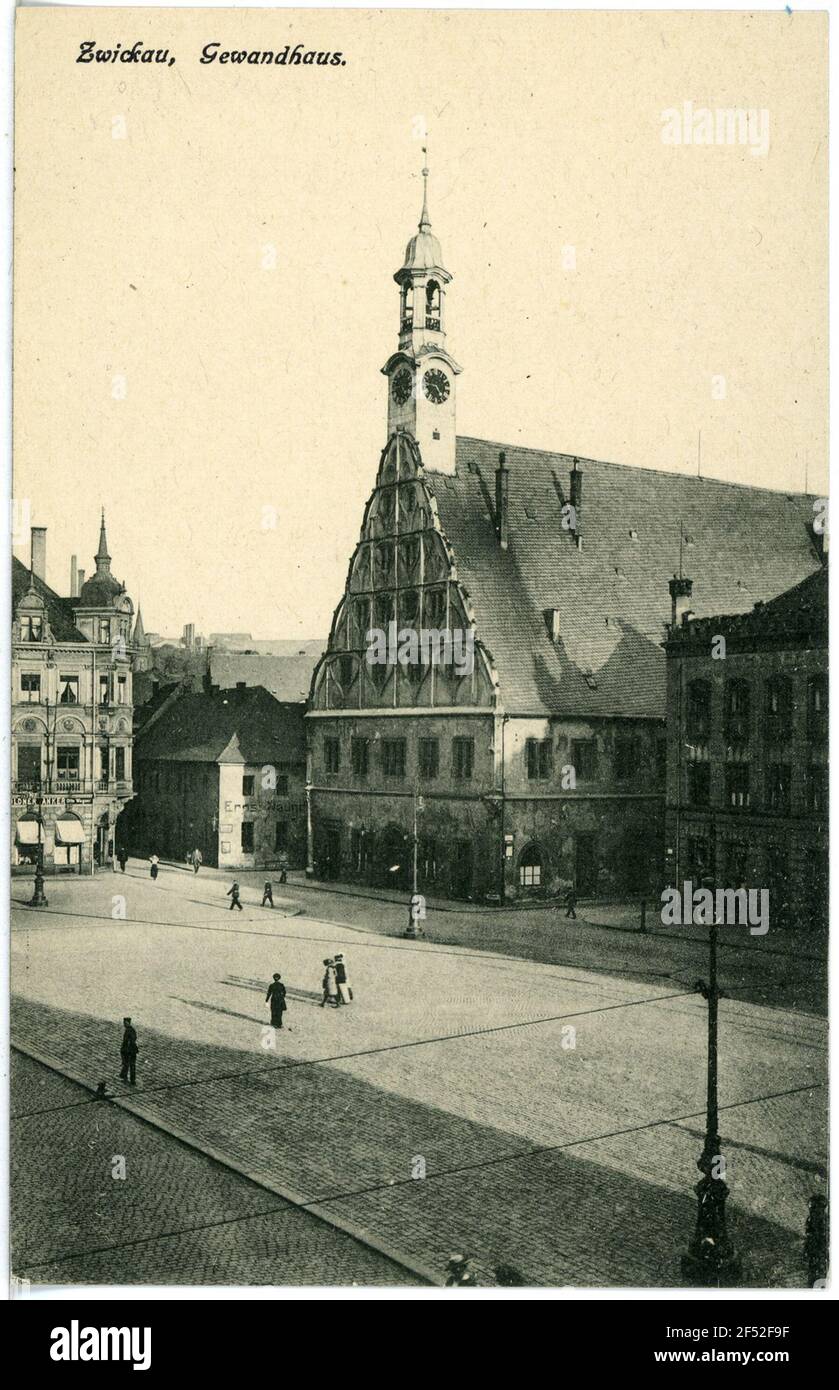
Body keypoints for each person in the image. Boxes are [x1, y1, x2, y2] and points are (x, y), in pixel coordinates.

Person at [119, 1017, 139, 1086]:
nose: (124, 1024)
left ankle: (130, 1078)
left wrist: (124, 1049)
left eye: (124, 1023)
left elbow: (129, 1041)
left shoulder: (129, 1030)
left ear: (128, 1023)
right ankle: (125, 1076)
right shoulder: (131, 1030)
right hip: (131, 1050)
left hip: (129, 1050)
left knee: (129, 1064)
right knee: (129, 1064)